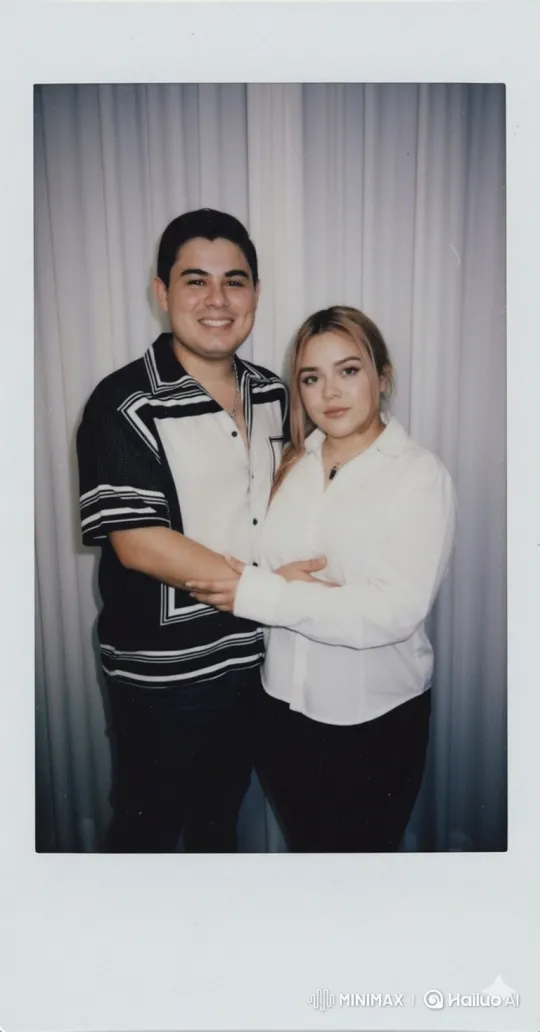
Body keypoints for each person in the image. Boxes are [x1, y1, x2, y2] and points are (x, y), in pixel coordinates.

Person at [76, 208, 323, 853]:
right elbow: (138, 540)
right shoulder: (125, 403)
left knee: (220, 829)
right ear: (162, 293)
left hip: (260, 662)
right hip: (165, 680)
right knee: (146, 835)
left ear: (256, 294)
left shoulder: (276, 394)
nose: (217, 300)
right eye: (195, 280)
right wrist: (268, 586)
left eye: (235, 281)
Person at [187, 305, 458, 852]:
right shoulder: (290, 463)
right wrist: (276, 584)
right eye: (312, 378)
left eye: (348, 370)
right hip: (280, 707)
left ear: (382, 376)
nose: (329, 392)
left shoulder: (417, 476)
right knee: (310, 857)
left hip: (373, 722)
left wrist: (268, 595)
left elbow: (393, 612)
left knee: (357, 880)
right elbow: (265, 565)